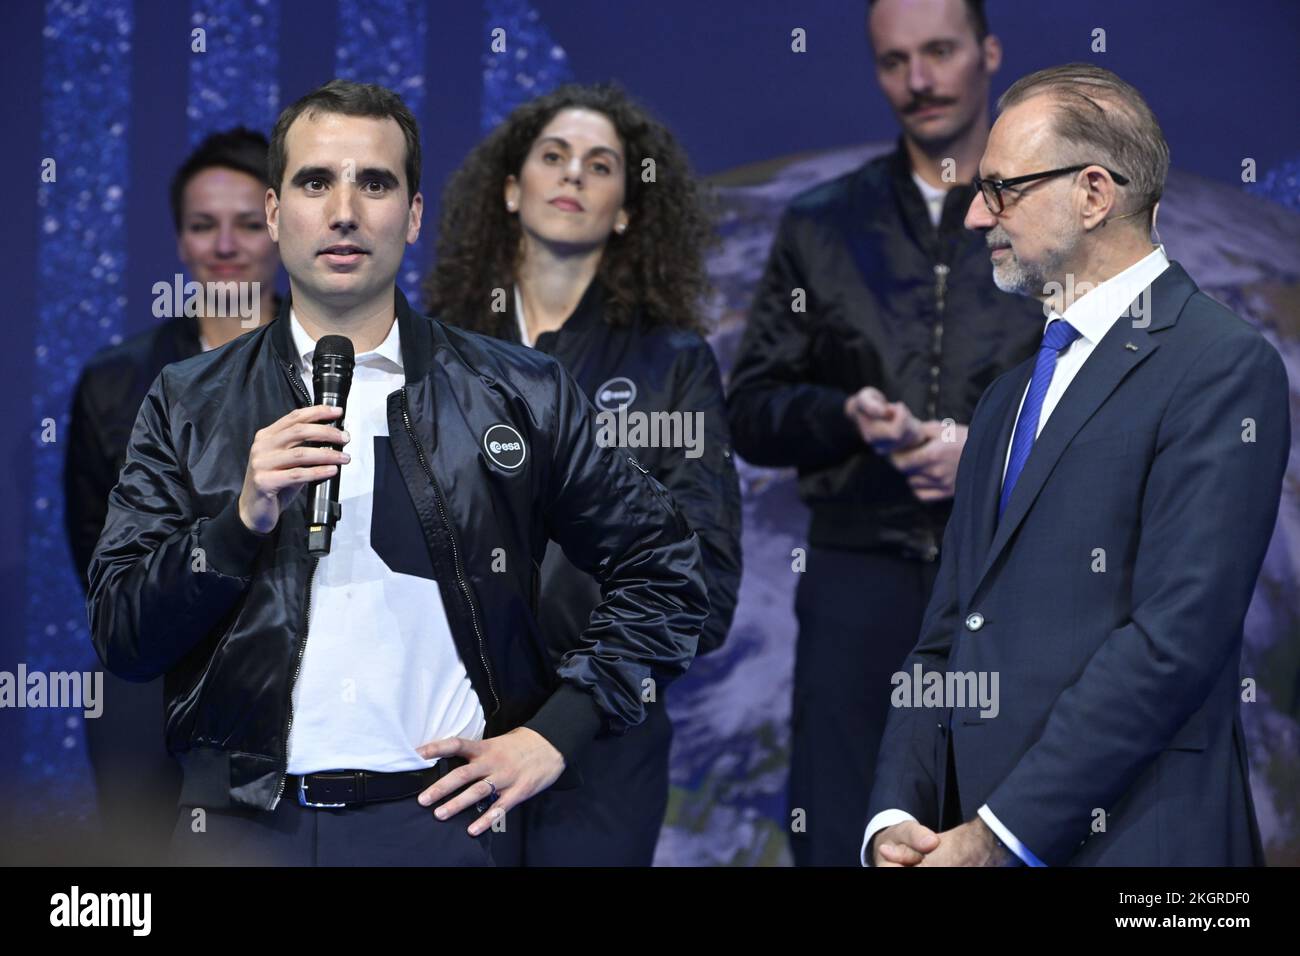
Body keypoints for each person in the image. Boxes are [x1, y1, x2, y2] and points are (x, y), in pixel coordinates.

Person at [87, 79, 709, 867]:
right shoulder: (188, 400)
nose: (344, 210)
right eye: (316, 182)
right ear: (276, 214)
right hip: (240, 832)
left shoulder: (518, 391)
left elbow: (668, 569)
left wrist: (559, 732)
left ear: (413, 216)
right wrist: (236, 523)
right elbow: (122, 635)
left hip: (440, 826)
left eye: (374, 182)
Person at [865, 63, 1289, 867]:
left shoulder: (1220, 367)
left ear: (1094, 193)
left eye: (1002, 189)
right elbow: (949, 635)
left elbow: (1173, 641)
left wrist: (1000, 835)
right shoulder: (1005, 400)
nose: (978, 214)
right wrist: (897, 810)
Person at [725, 0, 1042, 865]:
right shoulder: (822, 222)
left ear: (989, 53)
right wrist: (846, 417)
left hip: (1016, 574)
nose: (920, 81)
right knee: (847, 829)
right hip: (856, 580)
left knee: (1010, 825)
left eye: (939, 52)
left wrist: (986, 450)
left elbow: (1106, 397)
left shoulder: (1045, 217)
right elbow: (751, 407)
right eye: (895, 61)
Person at [424, 82, 742, 865]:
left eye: (600, 166)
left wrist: (577, 705)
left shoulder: (674, 364)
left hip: (603, 735)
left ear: (628, 207)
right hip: (446, 731)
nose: (572, 176)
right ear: (510, 188)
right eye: (553, 157)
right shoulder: (434, 353)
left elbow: (706, 584)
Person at [64, 126, 279, 863]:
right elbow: (99, 555)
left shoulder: (336, 370)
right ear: (181, 241)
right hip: (147, 673)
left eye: (248, 222)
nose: (226, 244)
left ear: (280, 227)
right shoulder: (116, 379)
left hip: (284, 675)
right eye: (203, 224)